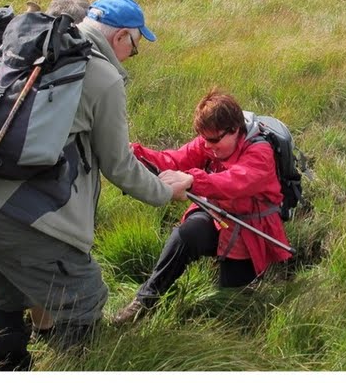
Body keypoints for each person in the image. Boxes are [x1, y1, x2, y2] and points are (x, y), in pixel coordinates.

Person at [0, 0, 193, 368]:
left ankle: (12, 366)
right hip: (6, 209)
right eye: (134, 49)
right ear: (120, 37)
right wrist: (165, 191)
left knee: (6, 296)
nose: (129, 57)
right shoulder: (101, 77)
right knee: (85, 299)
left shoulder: (35, 42)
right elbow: (118, 165)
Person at [113, 87, 290, 324]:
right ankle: (144, 302)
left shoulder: (260, 152)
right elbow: (175, 159)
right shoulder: (211, 139)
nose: (208, 147)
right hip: (218, 215)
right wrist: (136, 153)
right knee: (185, 236)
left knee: (232, 305)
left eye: (215, 140)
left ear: (235, 130)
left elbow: (236, 181)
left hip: (249, 229)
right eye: (205, 140)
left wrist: (194, 180)